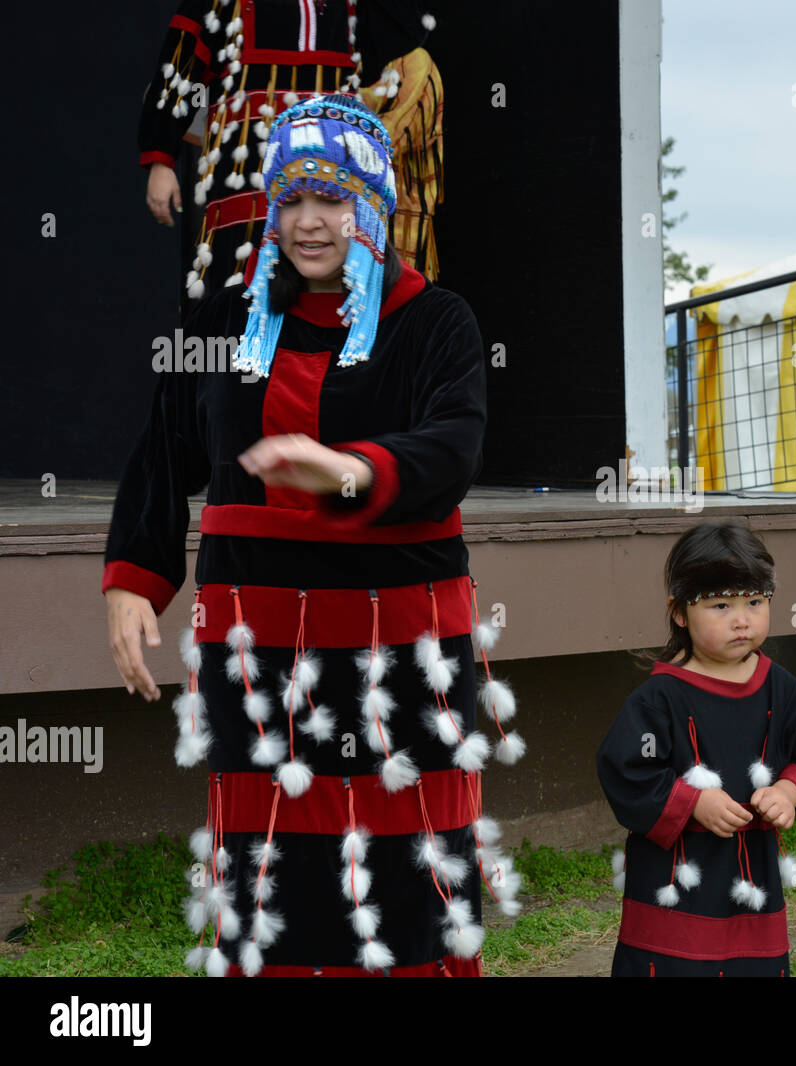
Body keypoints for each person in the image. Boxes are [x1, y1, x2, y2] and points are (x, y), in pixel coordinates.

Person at [104, 94, 521, 977]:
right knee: (268, 876)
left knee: (409, 871)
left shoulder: (435, 320)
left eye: (330, 198)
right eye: (289, 198)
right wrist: (132, 583)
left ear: (372, 204)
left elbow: (454, 446)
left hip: (395, 647)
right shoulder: (221, 323)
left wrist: (348, 469)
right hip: (256, 648)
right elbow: (163, 449)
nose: (307, 221)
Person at [596, 522, 796, 976]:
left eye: (754, 602)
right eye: (721, 604)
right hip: (676, 875)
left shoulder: (781, 689)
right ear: (680, 612)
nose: (742, 619)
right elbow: (624, 770)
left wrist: (789, 791)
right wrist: (692, 803)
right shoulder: (660, 698)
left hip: (753, 873)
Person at [141, 1, 444, 302]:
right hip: (250, 183)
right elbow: (178, 72)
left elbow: (406, 30)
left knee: (338, 295)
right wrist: (160, 159)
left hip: (335, 182)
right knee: (242, 296)